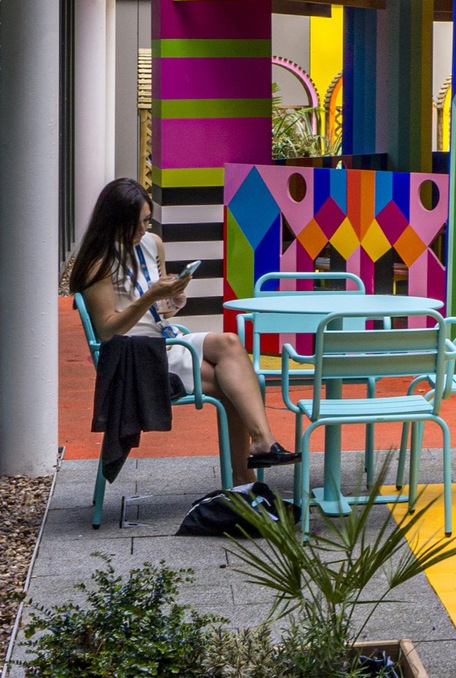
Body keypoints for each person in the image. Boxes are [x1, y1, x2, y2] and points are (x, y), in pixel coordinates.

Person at [70, 178, 293, 481]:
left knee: (229, 343)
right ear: (114, 222)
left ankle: (262, 444)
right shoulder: (100, 264)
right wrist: (150, 296)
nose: (142, 231)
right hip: (136, 354)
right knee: (233, 385)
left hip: (168, 338)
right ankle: (246, 477)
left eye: (147, 222)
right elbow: (108, 331)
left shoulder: (152, 243)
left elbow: (160, 310)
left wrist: (173, 298)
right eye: (134, 225)